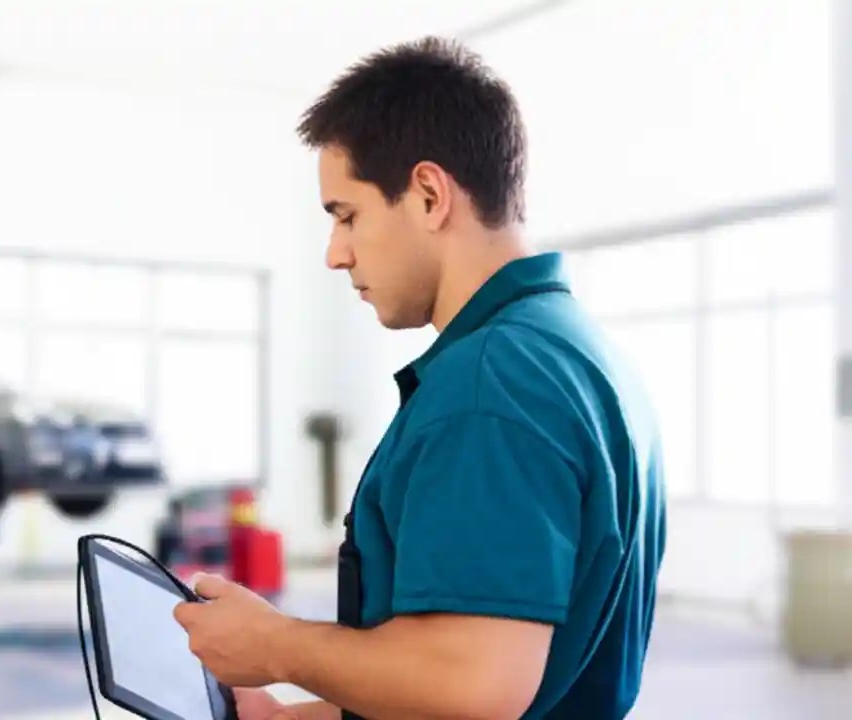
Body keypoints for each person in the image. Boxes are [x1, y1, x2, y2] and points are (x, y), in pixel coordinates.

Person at [173, 37, 666, 720]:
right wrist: (284, 718)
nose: (336, 254)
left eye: (347, 215)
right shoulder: (577, 350)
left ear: (430, 195)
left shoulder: (491, 383)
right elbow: (494, 668)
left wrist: (275, 645)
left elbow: (470, 686)